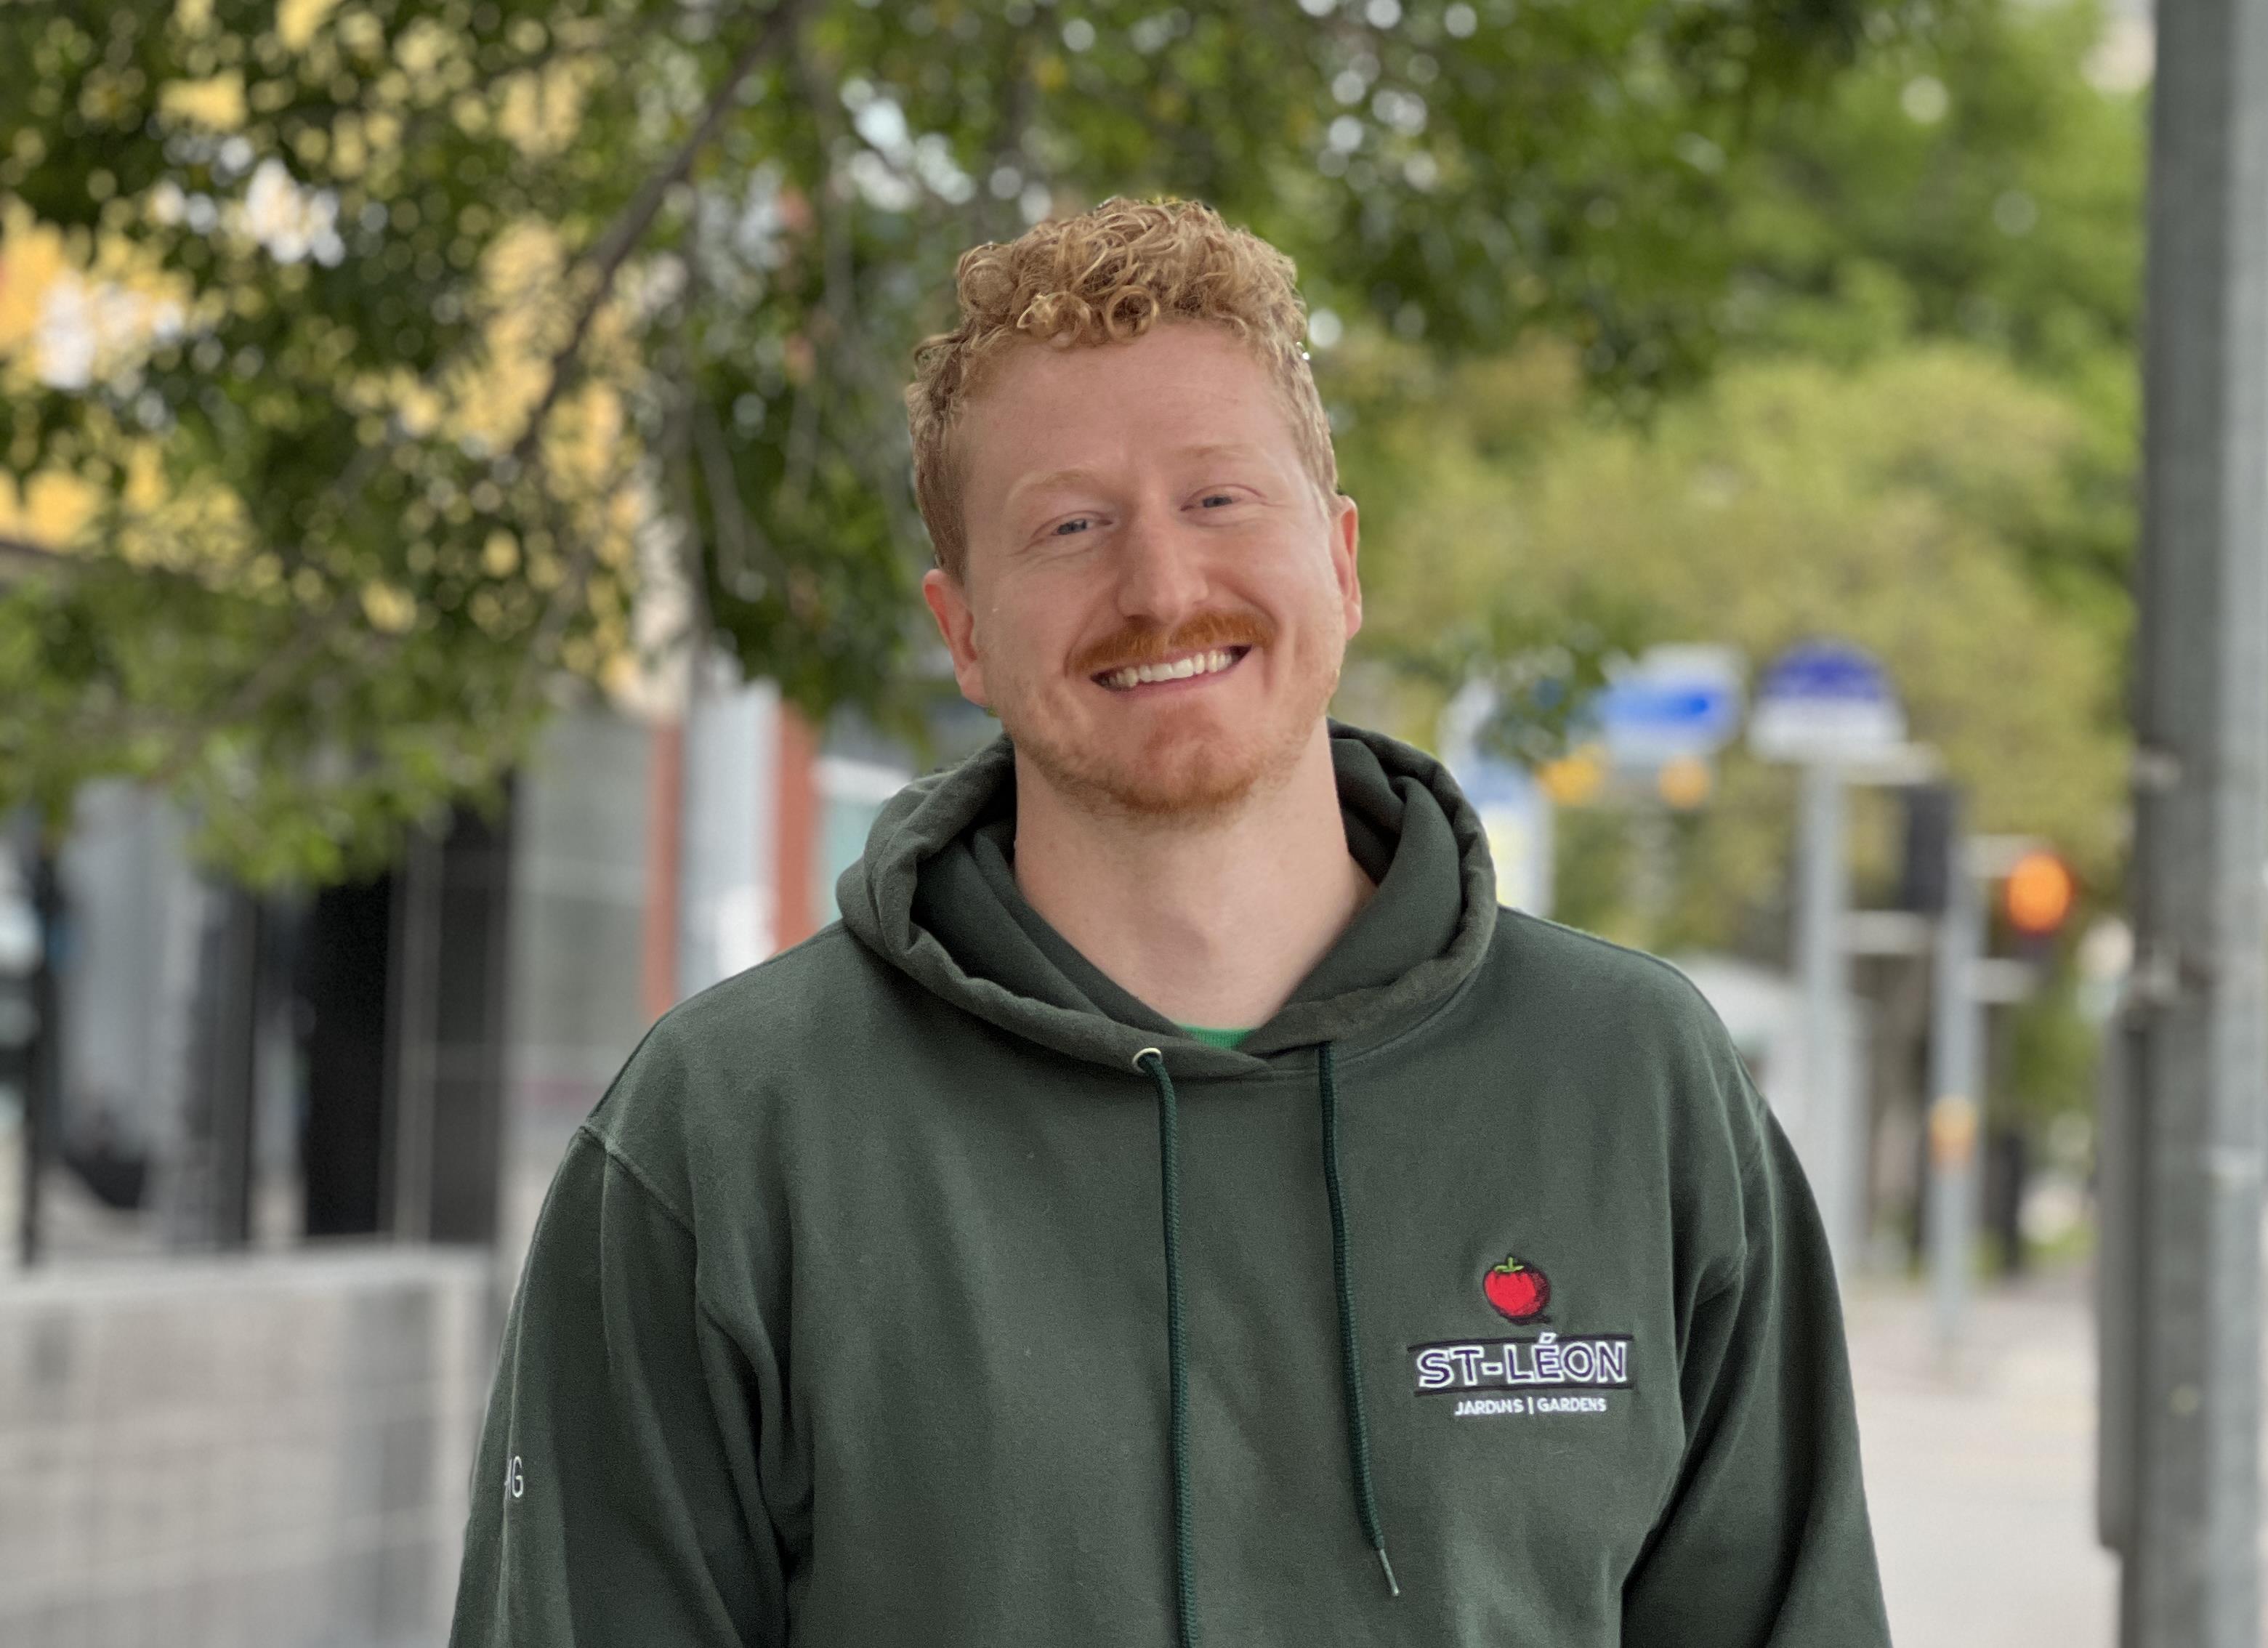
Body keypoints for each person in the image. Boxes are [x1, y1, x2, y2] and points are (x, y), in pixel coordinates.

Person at [448, 198, 1889, 1647]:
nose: (1160, 586)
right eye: (1070, 527)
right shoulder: (728, 1133)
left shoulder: (1632, 1086)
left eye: (1217, 499)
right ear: (963, 632)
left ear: (1341, 560)